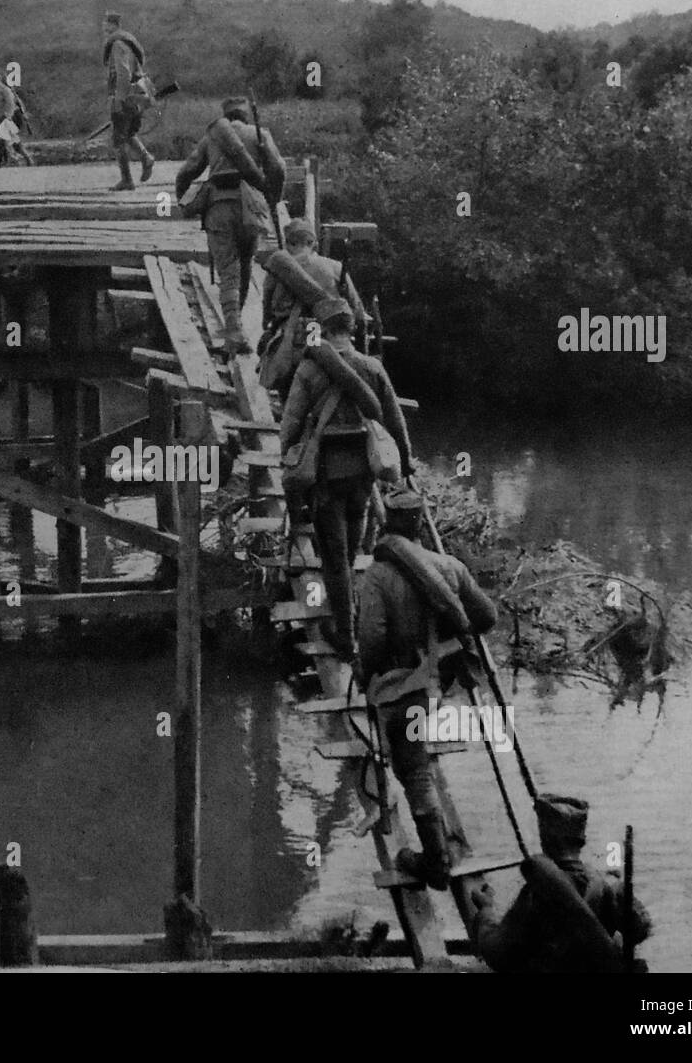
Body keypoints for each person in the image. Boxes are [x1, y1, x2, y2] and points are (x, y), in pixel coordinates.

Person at [356, 488, 497, 889]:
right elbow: (486, 616)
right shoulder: (448, 567)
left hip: (396, 689)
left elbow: (371, 640)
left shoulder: (378, 576)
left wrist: (366, 676)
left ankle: (434, 860)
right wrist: (443, 648)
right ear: (420, 523)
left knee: (412, 769)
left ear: (388, 524)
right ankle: (438, 852)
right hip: (432, 688)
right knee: (416, 763)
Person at [280, 308, 415, 661]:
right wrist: (407, 460)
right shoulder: (372, 367)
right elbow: (395, 422)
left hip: (325, 479)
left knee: (334, 558)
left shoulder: (310, 368)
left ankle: (346, 636)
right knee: (353, 550)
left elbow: (291, 424)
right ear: (352, 331)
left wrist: (289, 460)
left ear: (323, 329)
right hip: (363, 478)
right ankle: (355, 622)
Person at [470, 794, 653, 972]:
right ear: (582, 841)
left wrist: (485, 912)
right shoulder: (603, 884)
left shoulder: (538, 891)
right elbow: (640, 929)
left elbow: (498, 954)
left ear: (545, 839)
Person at [175, 96, 286, 355]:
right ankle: (237, 327)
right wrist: (274, 197)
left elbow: (187, 171)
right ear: (245, 116)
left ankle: (234, 331)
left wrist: (182, 200)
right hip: (252, 207)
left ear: (226, 115)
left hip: (219, 207)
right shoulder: (260, 133)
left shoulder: (213, 136)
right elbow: (278, 168)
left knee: (228, 269)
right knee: (245, 264)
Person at [259, 218, 369, 396]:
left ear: (288, 243)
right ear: (314, 244)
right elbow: (357, 311)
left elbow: (267, 310)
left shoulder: (278, 267)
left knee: (270, 357)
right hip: (328, 336)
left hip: (293, 336)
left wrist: (268, 327)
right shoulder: (336, 267)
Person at [103, 11, 154, 190]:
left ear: (112, 25)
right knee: (129, 133)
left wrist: (119, 99)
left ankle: (127, 180)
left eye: (106, 23)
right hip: (136, 96)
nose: (103, 26)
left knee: (118, 139)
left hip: (125, 97)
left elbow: (123, 73)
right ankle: (146, 157)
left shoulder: (117, 44)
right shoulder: (129, 43)